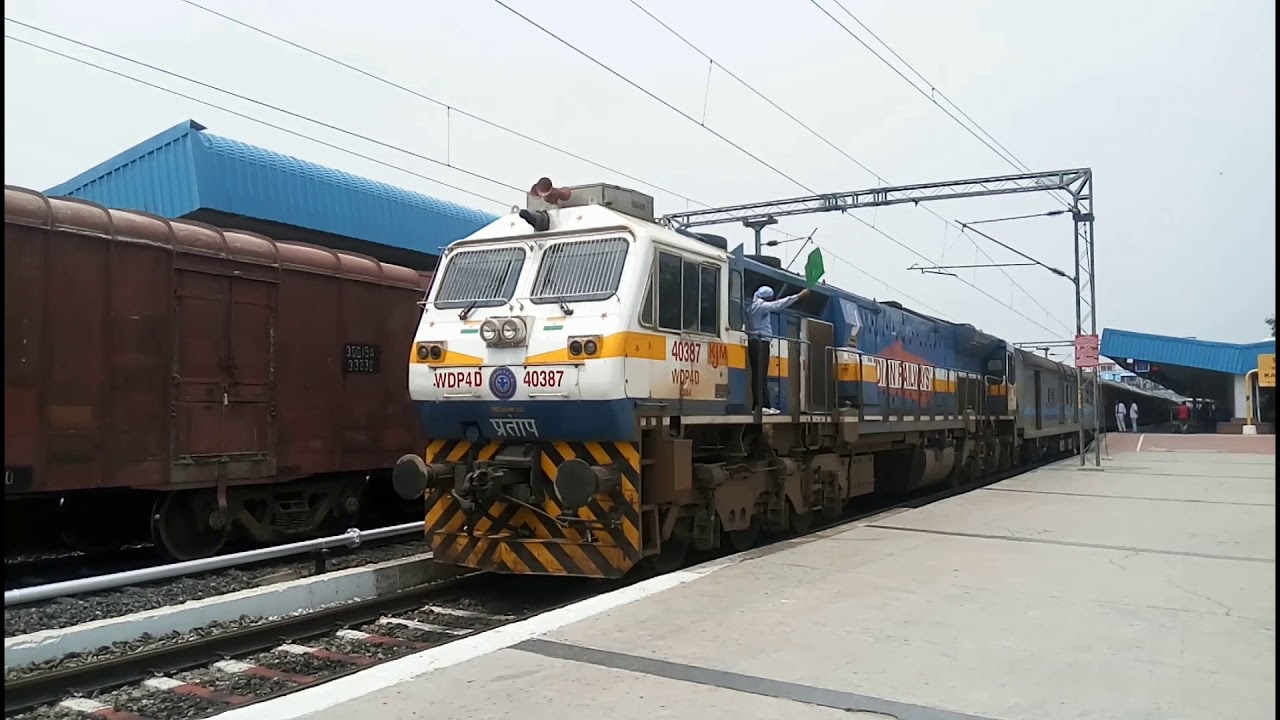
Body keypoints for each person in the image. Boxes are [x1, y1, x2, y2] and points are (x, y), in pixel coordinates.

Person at [747, 285, 809, 415]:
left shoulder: (753, 306)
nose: (771, 300)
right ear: (766, 298)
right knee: (760, 374)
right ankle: (759, 406)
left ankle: (765, 405)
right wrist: (798, 296)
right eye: (770, 298)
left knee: (761, 374)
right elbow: (778, 305)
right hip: (759, 343)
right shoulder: (760, 306)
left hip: (758, 342)